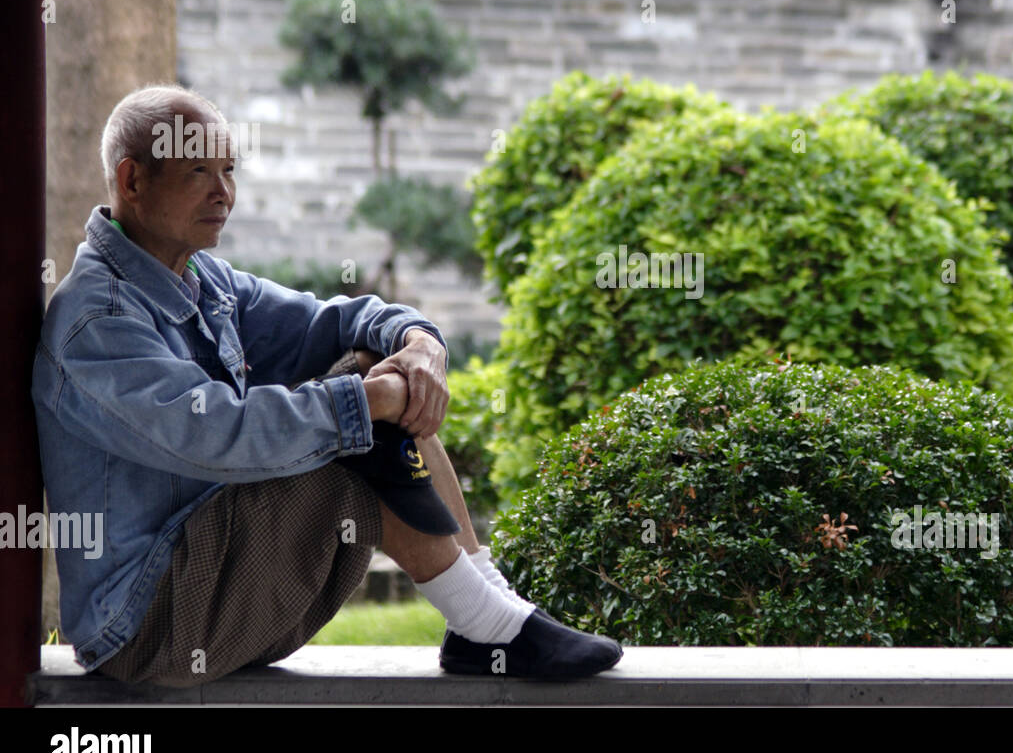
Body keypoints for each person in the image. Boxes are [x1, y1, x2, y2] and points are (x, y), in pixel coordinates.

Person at [30, 83, 622, 686]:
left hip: (210, 579)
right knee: (357, 424)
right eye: (199, 170)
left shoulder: (205, 280)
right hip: (147, 625)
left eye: (229, 170)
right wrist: (368, 400)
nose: (224, 193)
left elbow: (333, 321)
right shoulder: (98, 320)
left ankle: (487, 611)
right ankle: (485, 622)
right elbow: (215, 433)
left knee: (375, 367)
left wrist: (420, 346)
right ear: (132, 182)